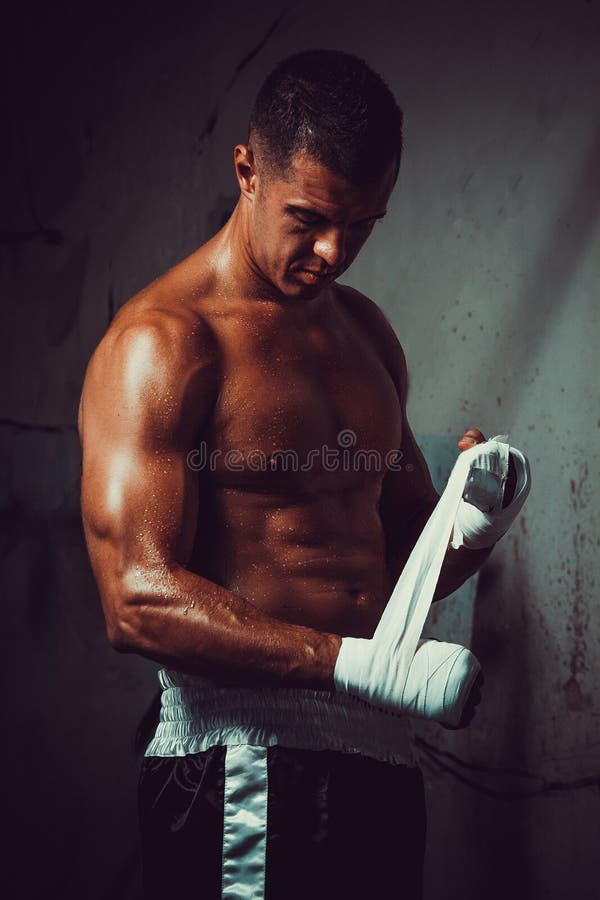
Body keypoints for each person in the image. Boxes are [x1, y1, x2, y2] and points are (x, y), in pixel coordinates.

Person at [78, 50, 528, 900]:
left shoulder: (366, 337)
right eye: (311, 217)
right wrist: (348, 666)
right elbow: (133, 600)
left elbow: (393, 582)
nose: (333, 250)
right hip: (243, 760)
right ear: (247, 169)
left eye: (362, 226)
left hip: (380, 754)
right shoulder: (166, 345)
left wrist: (465, 528)